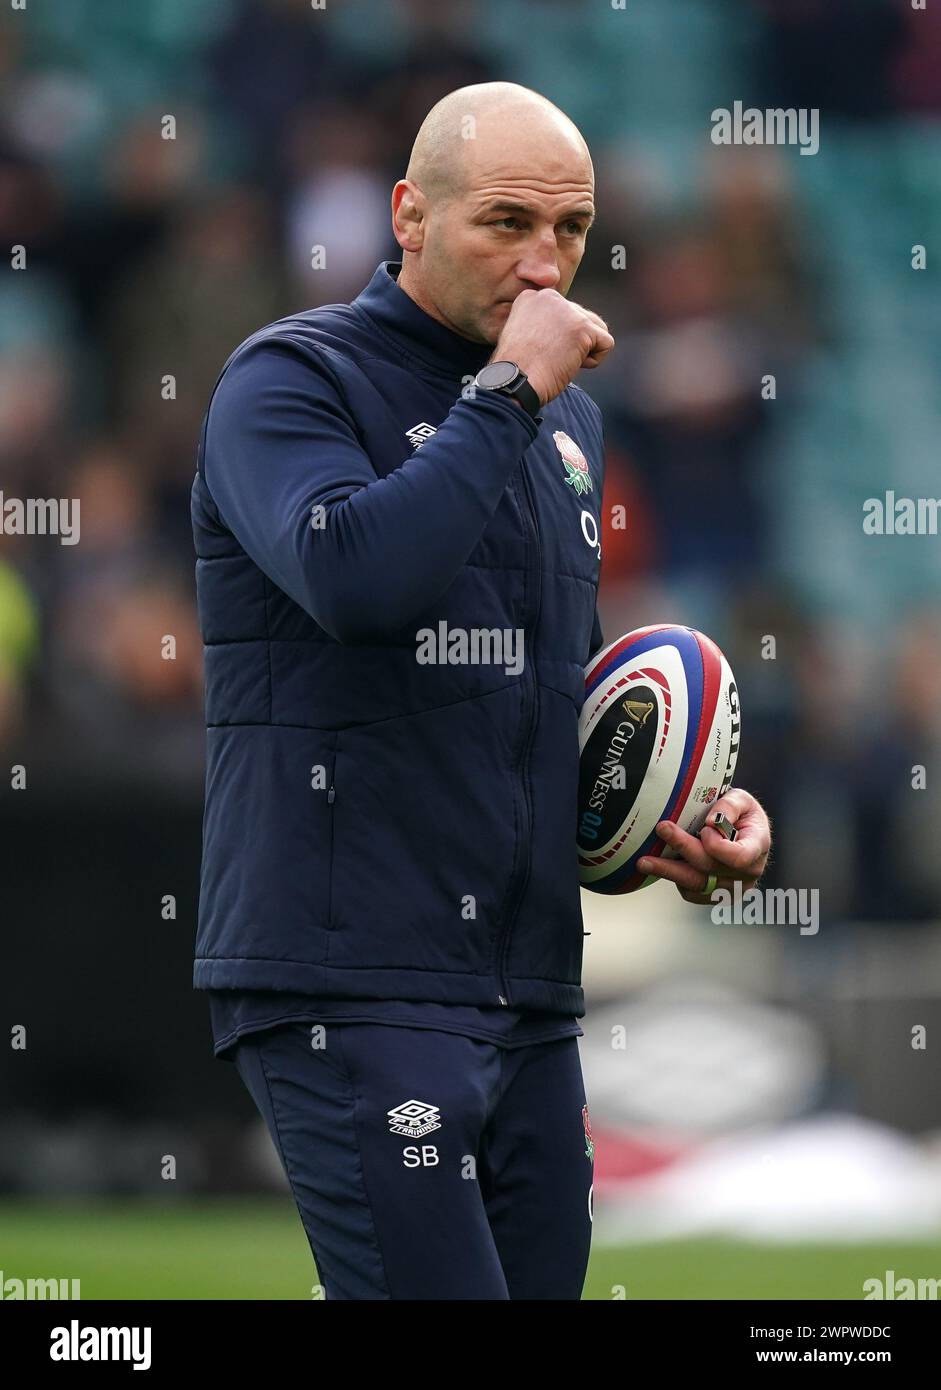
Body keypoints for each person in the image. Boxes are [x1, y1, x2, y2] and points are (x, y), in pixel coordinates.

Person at [191, 81, 771, 1300]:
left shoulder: (567, 429)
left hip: (524, 989)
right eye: (504, 222)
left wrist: (672, 817)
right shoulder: (288, 379)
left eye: (568, 229)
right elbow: (356, 580)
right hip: (349, 976)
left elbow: (546, 708)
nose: (544, 262)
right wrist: (506, 393)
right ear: (408, 212)